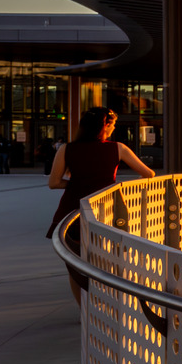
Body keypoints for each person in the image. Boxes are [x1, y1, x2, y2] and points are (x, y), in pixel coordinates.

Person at [48, 107, 155, 302]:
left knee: (76, 266)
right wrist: (118, 187)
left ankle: (83, 311)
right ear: (105, 125)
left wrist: (79, 183)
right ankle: (104, 306)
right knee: (105, 262)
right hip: (104, 211)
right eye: (113, 125)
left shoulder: (67, 149)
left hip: (71, 211)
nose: (114, 128)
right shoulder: (117, 148)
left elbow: (54, 183)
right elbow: (149, 174)